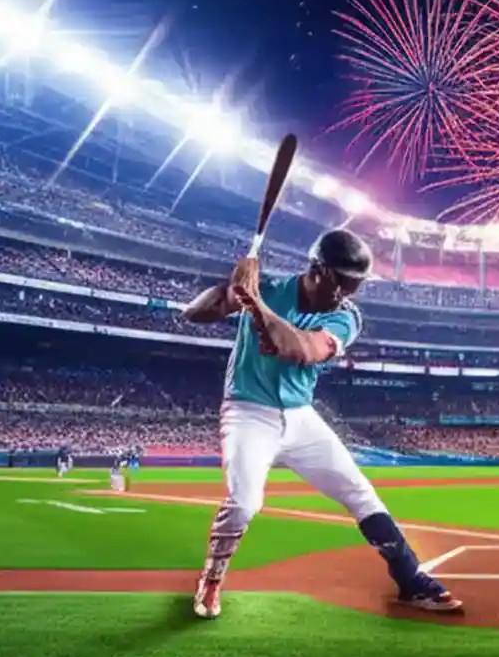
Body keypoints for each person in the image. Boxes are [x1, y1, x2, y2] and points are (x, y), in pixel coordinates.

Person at [181, 229, 462, 620]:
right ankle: (212, 579)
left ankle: (410, 580)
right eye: (347, 282)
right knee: (245, 504)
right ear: (322, 271)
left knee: (360, 492)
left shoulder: (345, 316)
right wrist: (231, 289)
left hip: (301, 417)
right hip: (248, 412)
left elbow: (300, 348)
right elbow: (193, 312)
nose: (352, 292)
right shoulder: (272, 288)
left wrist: (254, 302)